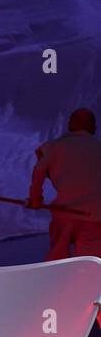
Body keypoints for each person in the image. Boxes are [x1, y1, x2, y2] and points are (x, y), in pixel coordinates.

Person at [29, 108, 101, 260]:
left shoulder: (53, 147)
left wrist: (35, 199)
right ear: (93, 127)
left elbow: (39, 171)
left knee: (58, 259)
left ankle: (56, 281)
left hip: (64, 213)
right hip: (95, 216)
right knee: (88, 261)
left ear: (70, 125)